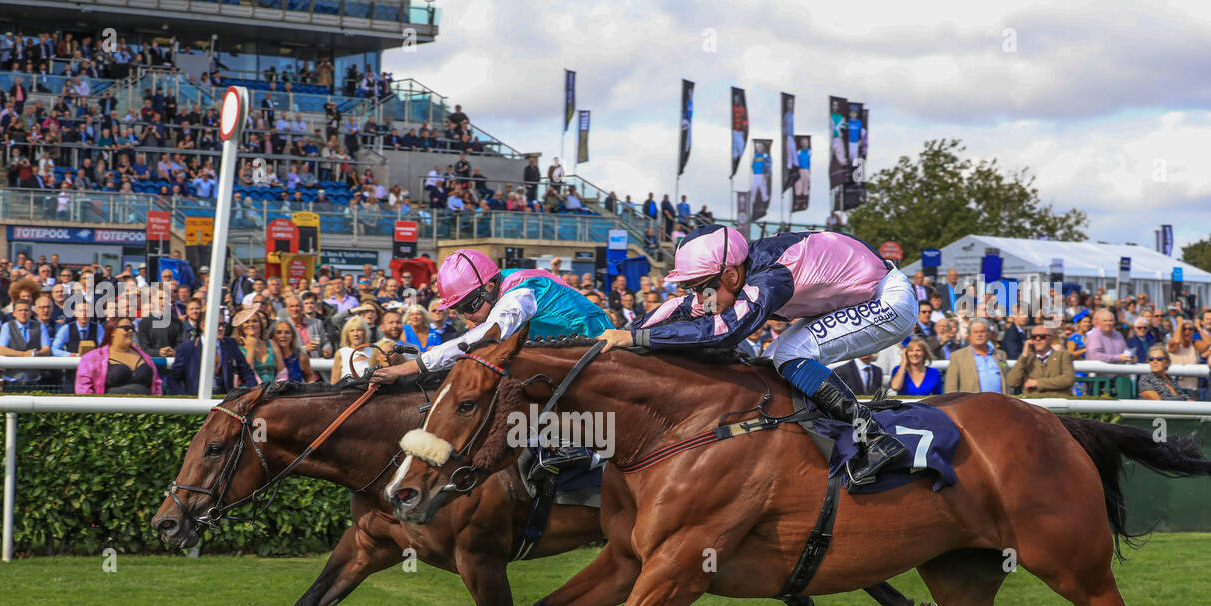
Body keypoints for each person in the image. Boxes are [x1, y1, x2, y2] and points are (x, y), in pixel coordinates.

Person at [596, 225, 918, 487]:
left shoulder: (770, 277)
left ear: (731, 276)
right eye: (694, 288)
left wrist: (638, 338)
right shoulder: (730, 276)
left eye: (701, 288)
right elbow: (680, 308)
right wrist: (623, 334)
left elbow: (725, 331)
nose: (699, 297)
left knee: (789, 355)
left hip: (886, 300)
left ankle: (875, 439)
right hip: (850, 299)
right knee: (769, 360)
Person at [373, 248, 611, 383]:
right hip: (565, 353)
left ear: (489, 288)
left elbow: (485, 336)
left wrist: (411, 367)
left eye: (470, 305)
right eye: (460, 310)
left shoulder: (518, 296)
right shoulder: (499, 281)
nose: (468, 316)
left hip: (599, 359)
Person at [169, 312, 258, 394]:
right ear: (203, 326)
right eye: (217, 324)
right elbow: (173, 379)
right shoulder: (186, 348)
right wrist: (186, 400)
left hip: (225, 402)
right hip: (196, 402)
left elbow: (247, 373)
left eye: (223, 324)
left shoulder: (230, 344)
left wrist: (251, 395)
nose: (221, 328)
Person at [75, 315, 162, 395]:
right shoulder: (92, 358)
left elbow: (157, 386)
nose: (131, 331)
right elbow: (83, 389)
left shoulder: (145, 357)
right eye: (126, 328)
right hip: (109, 410)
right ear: (113, 331)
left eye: (132, 328)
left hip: (146, 409)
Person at [1006, 325, 1076, 398]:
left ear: (1051, 339)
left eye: (1042, 336)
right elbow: (1012, 382)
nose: (1038, 339)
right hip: (1033, 404)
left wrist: (1037, 383)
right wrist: (1024, 355)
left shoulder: (1063, 355)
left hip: (1057, 402)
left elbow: (1068, 379)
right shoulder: (1027, 359)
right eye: (1034, 337)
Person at [943, 319, 1007, 394]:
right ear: (970, 335)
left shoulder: (1000, 355)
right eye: (975, 332)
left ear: (989, 334)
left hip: (999, 402)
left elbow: (1006, 377)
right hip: (970, 403)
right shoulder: (957, 357)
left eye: (982, 332)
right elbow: (951, 386)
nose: (979, 335)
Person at [235, 308, 279, 384]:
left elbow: (282, 372)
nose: (251, 324)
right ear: (241, 326)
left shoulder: (271, 343)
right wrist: (251, 349)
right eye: (246, 322)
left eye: (255, 321)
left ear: (260, 324)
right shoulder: (237, 348)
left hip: (273, 391)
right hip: (250, 391)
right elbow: (247, 374)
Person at [270, 317, 319, 383]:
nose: (283, 335)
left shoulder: (301, 357)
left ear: (292, 336)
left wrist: (311, 385)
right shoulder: (268, 357)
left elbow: (309, 376)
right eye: (279, 332)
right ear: (273, 336)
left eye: (287, 332)